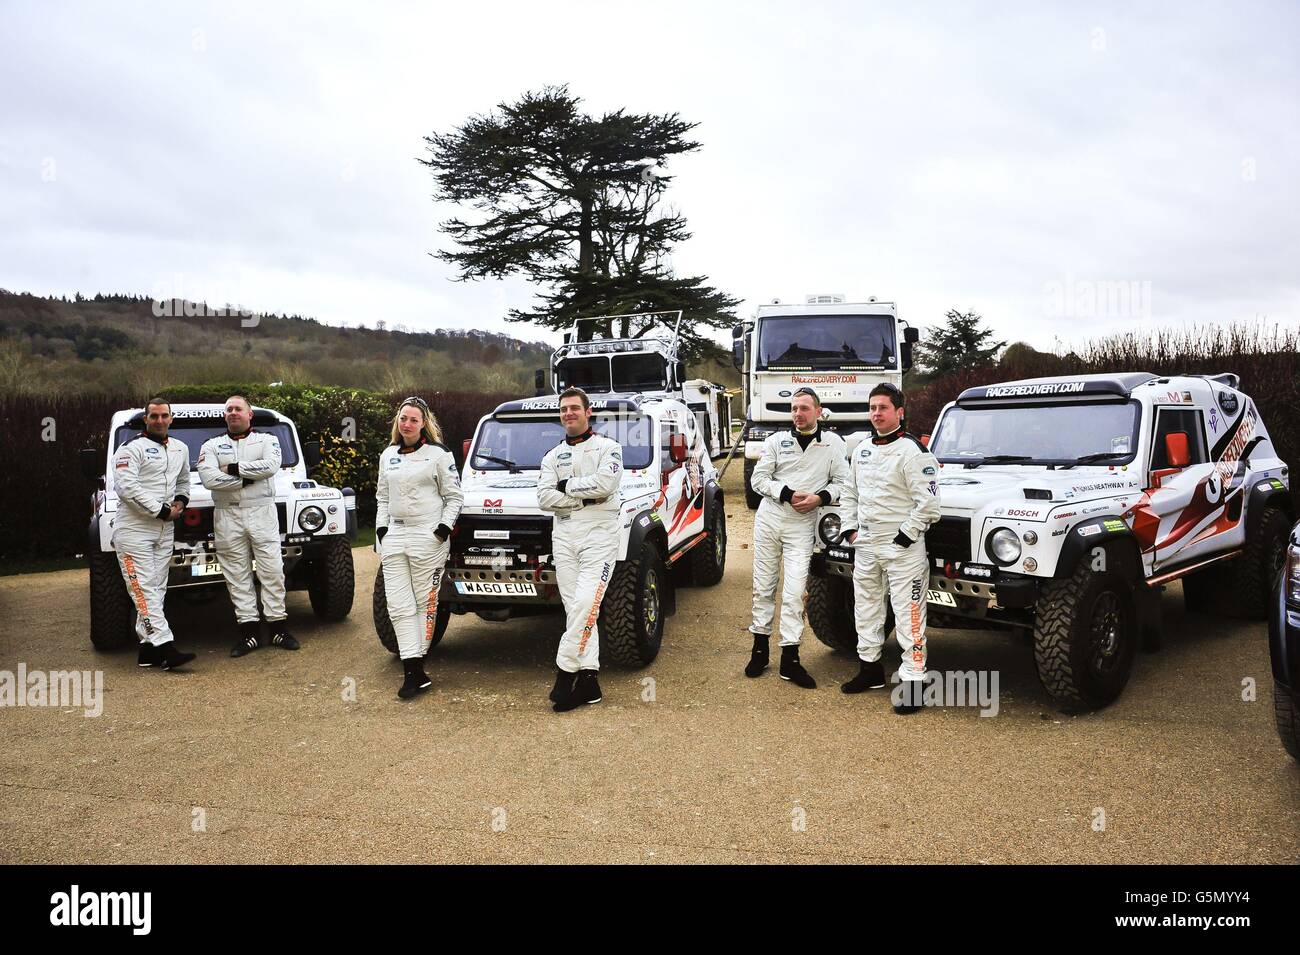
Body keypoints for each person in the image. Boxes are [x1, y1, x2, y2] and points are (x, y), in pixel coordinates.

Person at [838, 383, 941, 714]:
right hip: (866, 545)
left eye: (883, 408)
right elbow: (849, 493)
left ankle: (914, 679)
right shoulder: (862, 448)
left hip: (902, 549)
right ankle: (870, 668)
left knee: (909, 615)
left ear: (899, 412)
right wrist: (850, 530)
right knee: (866, 609)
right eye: (872, 408)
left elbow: (929, 505)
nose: (876, 414)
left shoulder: (915, 453)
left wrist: (905, 537)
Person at [746, 387, 849, 688]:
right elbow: (758, 480)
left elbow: (844, 482)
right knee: (763, 587)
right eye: (794, 409)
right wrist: (787, 494)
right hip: (770, 519)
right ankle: (760, 650)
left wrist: (821, 497)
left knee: (793, 594)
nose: (798, 414)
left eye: (804, 408)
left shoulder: (832, 444)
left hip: (803, 525)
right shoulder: (776, 441)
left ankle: (790, 660)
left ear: (819, 411)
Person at [537, 387, 623, 713]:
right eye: (564, 409)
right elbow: (544, 497)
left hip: (599, 536)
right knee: (577, 609)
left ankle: (564, 672)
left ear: (588, 412)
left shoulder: (609, 448)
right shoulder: (551, 455)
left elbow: (606, 485)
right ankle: (589, 681)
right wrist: (582, 496)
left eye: (575, 408)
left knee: (587, 603)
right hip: (564, 536)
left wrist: (567, 488)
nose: (569, 413)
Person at [376, 397, 463, 699]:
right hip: (395, 535)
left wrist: (441, 530)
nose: (407, 424)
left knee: (424, 603)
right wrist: (381, 531)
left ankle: (416, 667)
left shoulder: (439, 454)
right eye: (403, 418)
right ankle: (413, 670)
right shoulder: (388, 454)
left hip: (428, 535)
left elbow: (454, 496)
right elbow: (382, 498)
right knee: (398, 605)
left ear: (424, 423)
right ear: (397, 422)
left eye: (414, 419)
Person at [197, 395, 296, 657]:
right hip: (227, 514)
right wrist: (243, 481)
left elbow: (270, 466)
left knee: (272, 570)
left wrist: (232, 468)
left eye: (238, 409)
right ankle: (249, 632)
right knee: (237, 575)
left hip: (262, 511)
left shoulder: (268, 440)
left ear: (249, 414)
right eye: (228, 409)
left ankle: (278, 627)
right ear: (224, 415)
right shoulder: (212, 445)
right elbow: (208, 478)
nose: (233, 413)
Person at [112, 397, 197, 671]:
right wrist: (161, 510)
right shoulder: (130, 449)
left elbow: (184, 480)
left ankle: (147, 649)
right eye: (154, 416)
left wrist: (180, 503)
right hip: (134, 530)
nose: (159, 420)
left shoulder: (180, 448)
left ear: (171, 419)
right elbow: (126, 488)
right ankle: (166, 645)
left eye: (164, 416)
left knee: (157, 589)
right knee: (143, 589)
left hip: (164, 530)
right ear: (145, 419)